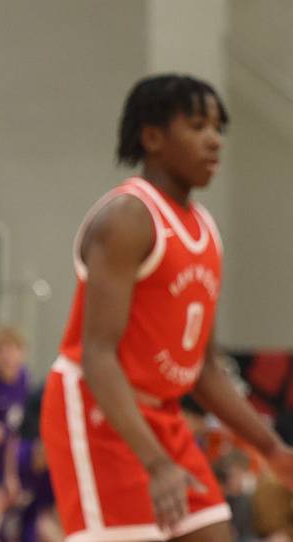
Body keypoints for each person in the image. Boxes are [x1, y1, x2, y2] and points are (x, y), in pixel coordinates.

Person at [41, 75, 293, 542]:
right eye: (198, 126)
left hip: (162, 416)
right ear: (153, 137)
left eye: (218, 128)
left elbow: (205, 369)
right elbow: (97, 353)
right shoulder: (129, 218)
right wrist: (156, 463)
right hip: (99, 411)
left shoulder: (205, 229)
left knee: (216, 532)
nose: (214, 140)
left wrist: (272, 448)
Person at [0, 325, 32, 529]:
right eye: (2, 351)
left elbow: (14, 434)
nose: (9, 357)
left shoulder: (23, 380)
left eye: (14, 350)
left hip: (3, 462)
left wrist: (11, 475)